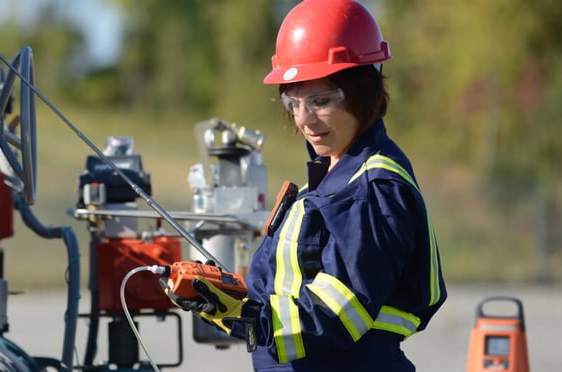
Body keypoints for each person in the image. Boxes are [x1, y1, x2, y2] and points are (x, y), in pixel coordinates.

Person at [163, 0, 447, 370]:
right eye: (293, 103)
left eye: (321, 101)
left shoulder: (370, 188)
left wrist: (249, 316)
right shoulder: (328, 179)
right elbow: (279, 297)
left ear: (366, 91)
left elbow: (340, 312)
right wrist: (218, 301)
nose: (305, 120)